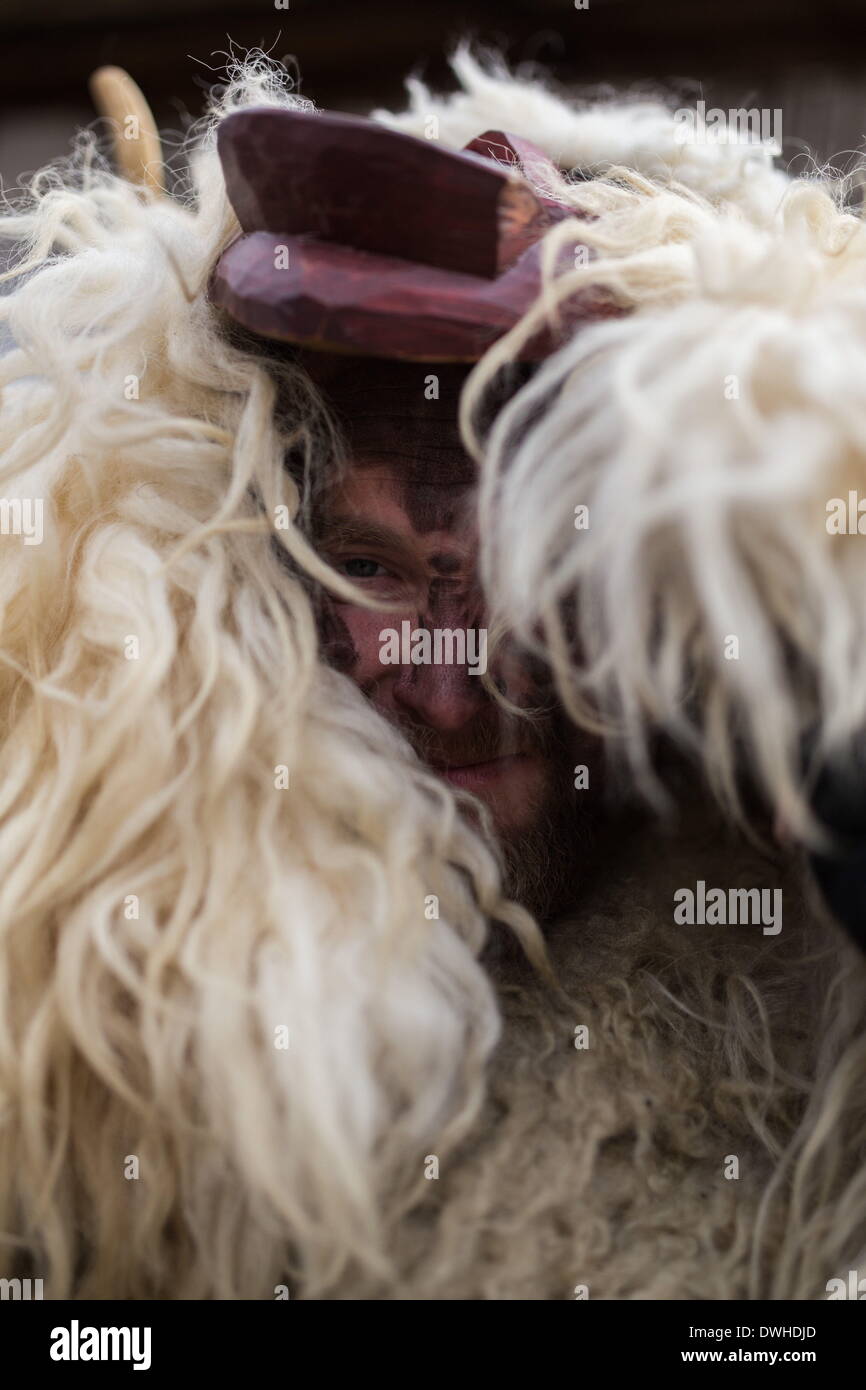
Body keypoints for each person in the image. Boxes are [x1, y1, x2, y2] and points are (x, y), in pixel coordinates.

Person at [0, 47, 865, 1302]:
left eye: (530, 583)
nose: (454, 690)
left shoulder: (802, 972)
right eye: (372, 571)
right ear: (269, 574)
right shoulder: (141, 1061)